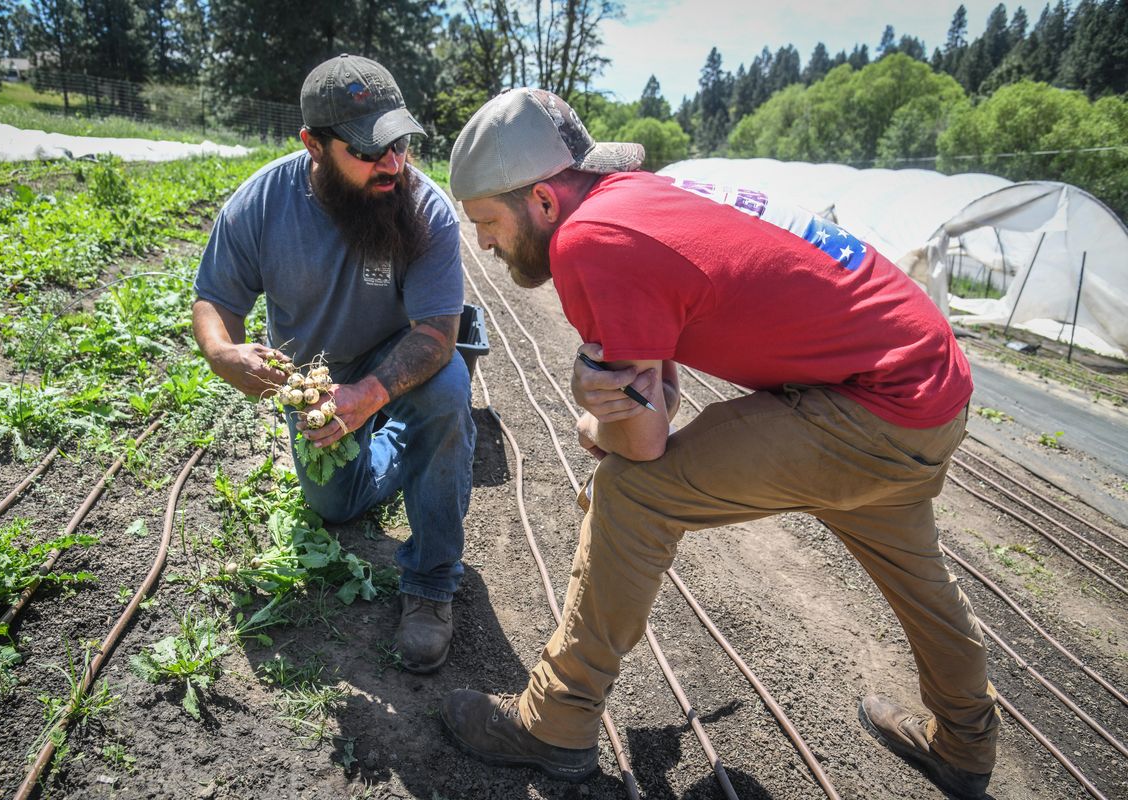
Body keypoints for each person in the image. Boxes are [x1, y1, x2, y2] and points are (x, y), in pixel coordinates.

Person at [442, 87, 999, 797]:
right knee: (918, 575)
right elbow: (665, 352)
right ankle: (966, 745)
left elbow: (639, 447)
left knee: (636, 493)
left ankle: (557, 717)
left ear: (545, 202)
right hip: (931, 388)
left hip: (873, 407)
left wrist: (596, 420)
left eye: (487, 221)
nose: (484, 244)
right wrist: (629, 397)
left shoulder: (592, 239)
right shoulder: (644, 198)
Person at [192, 54, 476, 674]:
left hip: (397, 360)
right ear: (313, 145)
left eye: (399, 143)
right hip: (312, 380)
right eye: (370, 150)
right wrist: (222, 351)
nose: (393, 163)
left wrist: (371, 394)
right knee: (335, 508)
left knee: (448, 386)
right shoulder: (263, 202)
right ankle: (410, 447)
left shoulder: (422, 208)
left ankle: (431, 581)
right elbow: (215, 299)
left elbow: (437, 331)